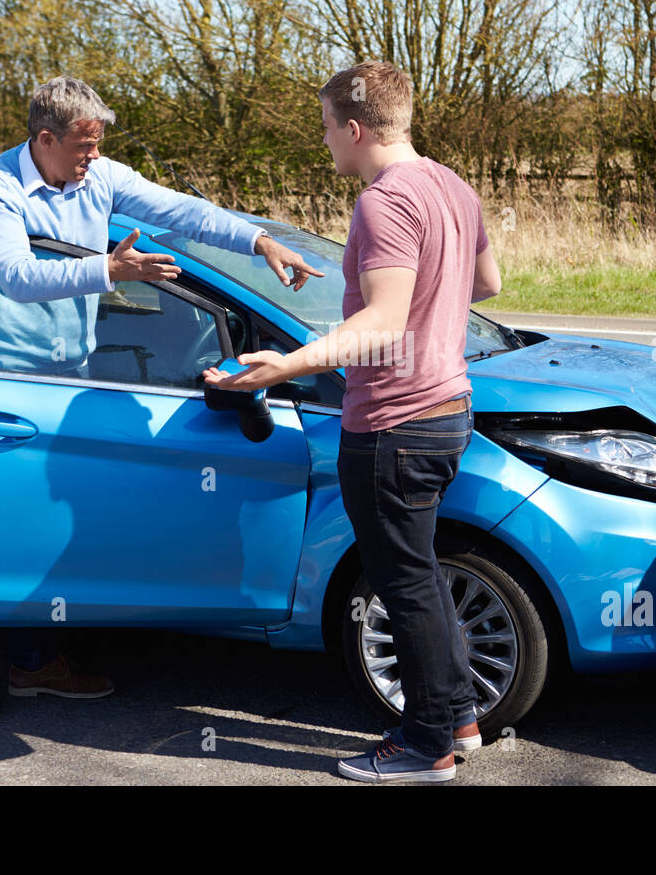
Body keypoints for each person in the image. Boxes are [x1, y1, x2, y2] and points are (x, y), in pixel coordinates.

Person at [0, 75, 323, 718]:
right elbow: (17, 276)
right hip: (3, 379)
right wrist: (111, 270)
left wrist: (260, 242)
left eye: (98, 145)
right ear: (45, 139)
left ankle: (34, 663)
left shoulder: (100, 177)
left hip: (72, 376)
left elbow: (182, 211)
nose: (94, 157)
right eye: (84, 145)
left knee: (51, 524)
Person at [205, 60, 502, 781]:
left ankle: (427, 745)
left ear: (357, 127)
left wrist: (287, 364)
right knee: (419, 573)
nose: (326, 142)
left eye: (328, 128)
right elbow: (487, 283)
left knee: (402, 584)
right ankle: (458, 717)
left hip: (392, 424)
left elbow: (382, 321)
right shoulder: (451, 186)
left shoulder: (383, 201)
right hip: (448, 407)